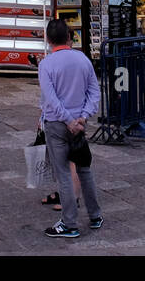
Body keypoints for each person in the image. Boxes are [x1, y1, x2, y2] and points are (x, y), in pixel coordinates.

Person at [38, 18, 103, 238]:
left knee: (64, 174)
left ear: (48, 39)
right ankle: (95, 215)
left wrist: (68, 120)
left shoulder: (46, 64)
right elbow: (94, 92)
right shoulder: (82, 59)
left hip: (57, 124)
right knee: (84, 169)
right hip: (79, 124)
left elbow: (51, 98)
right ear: (69, 37)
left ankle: (69, 223)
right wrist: (82, 118)